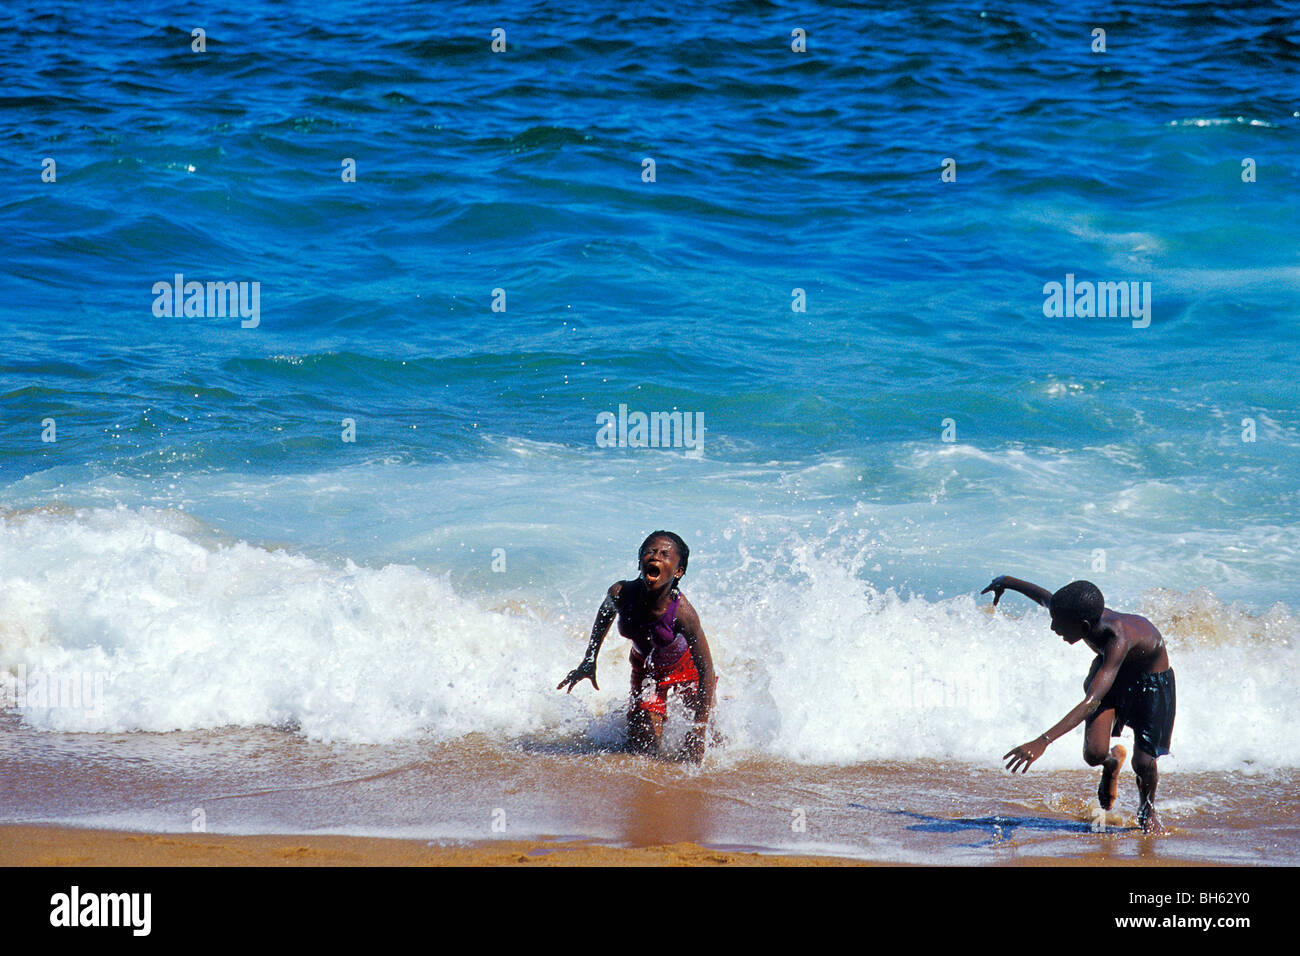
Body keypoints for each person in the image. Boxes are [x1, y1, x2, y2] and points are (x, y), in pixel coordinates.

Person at [982, 575, 1175, 833]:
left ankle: (1147, 810)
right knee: (1093, 753)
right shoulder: (1075, 611)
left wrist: (1043, 741)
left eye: (1058, 624)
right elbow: (1043, 597)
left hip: (1151, 683)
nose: (1053, 628)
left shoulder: (1118, 638)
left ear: (1084, 626)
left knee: (1143, 763)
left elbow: (1091, 702)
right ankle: (1111, 763)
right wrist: (1005, 581)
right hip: (1111, 672)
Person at [558, 531, 717, 761]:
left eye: (665, 554)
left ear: (679, 571)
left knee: (707, 738)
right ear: (639, 562)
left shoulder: (683, 614)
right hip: (647, 670)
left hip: (686, 669)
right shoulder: (621, 593)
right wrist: (589, 659)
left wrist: (699, 731)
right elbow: (604, 616)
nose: (655, 557)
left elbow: (706, 672)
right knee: (642, 746)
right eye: (650, 552)